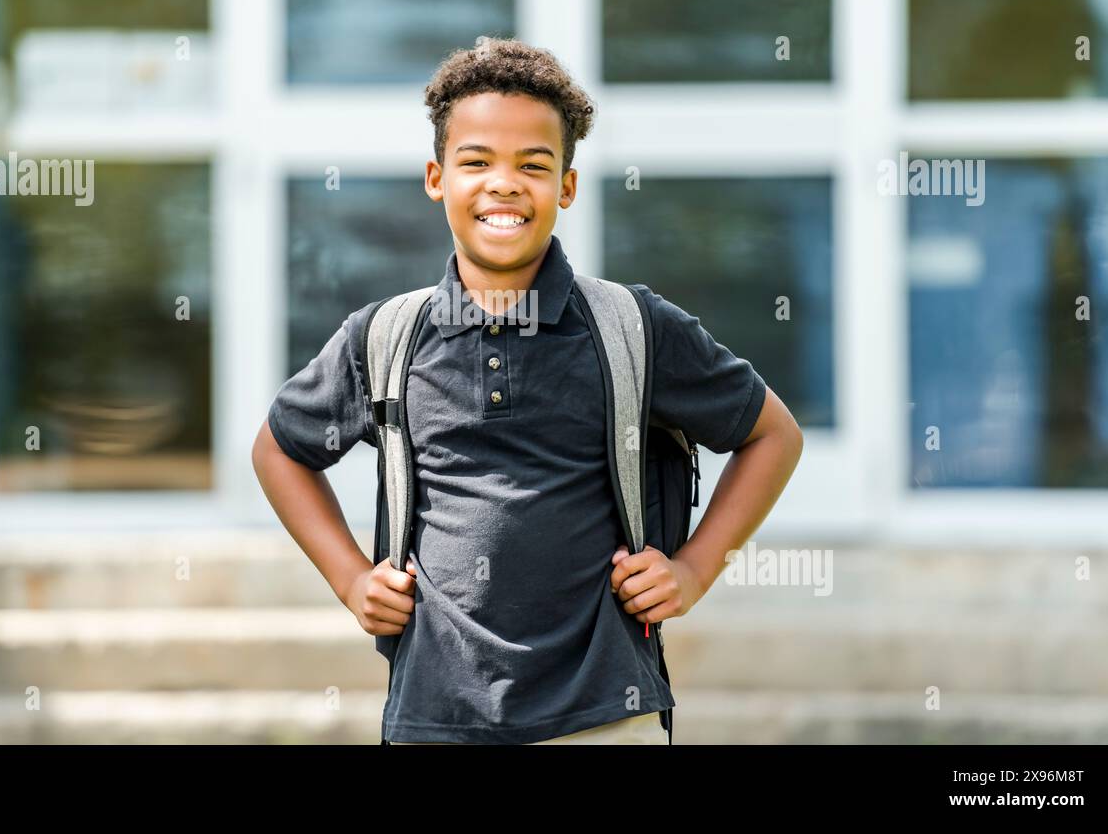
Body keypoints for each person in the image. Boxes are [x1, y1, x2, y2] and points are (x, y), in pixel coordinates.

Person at [252, 38, 804, 744]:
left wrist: (694, 569)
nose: (504, 184)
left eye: (533, 166)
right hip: (434, 714)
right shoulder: (386, 337)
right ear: (436, 177)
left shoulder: (631, 327)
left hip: (608, 713)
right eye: (476, 162)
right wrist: (350, 580)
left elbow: (772, 435)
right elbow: (279, 449)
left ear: (567, 188)